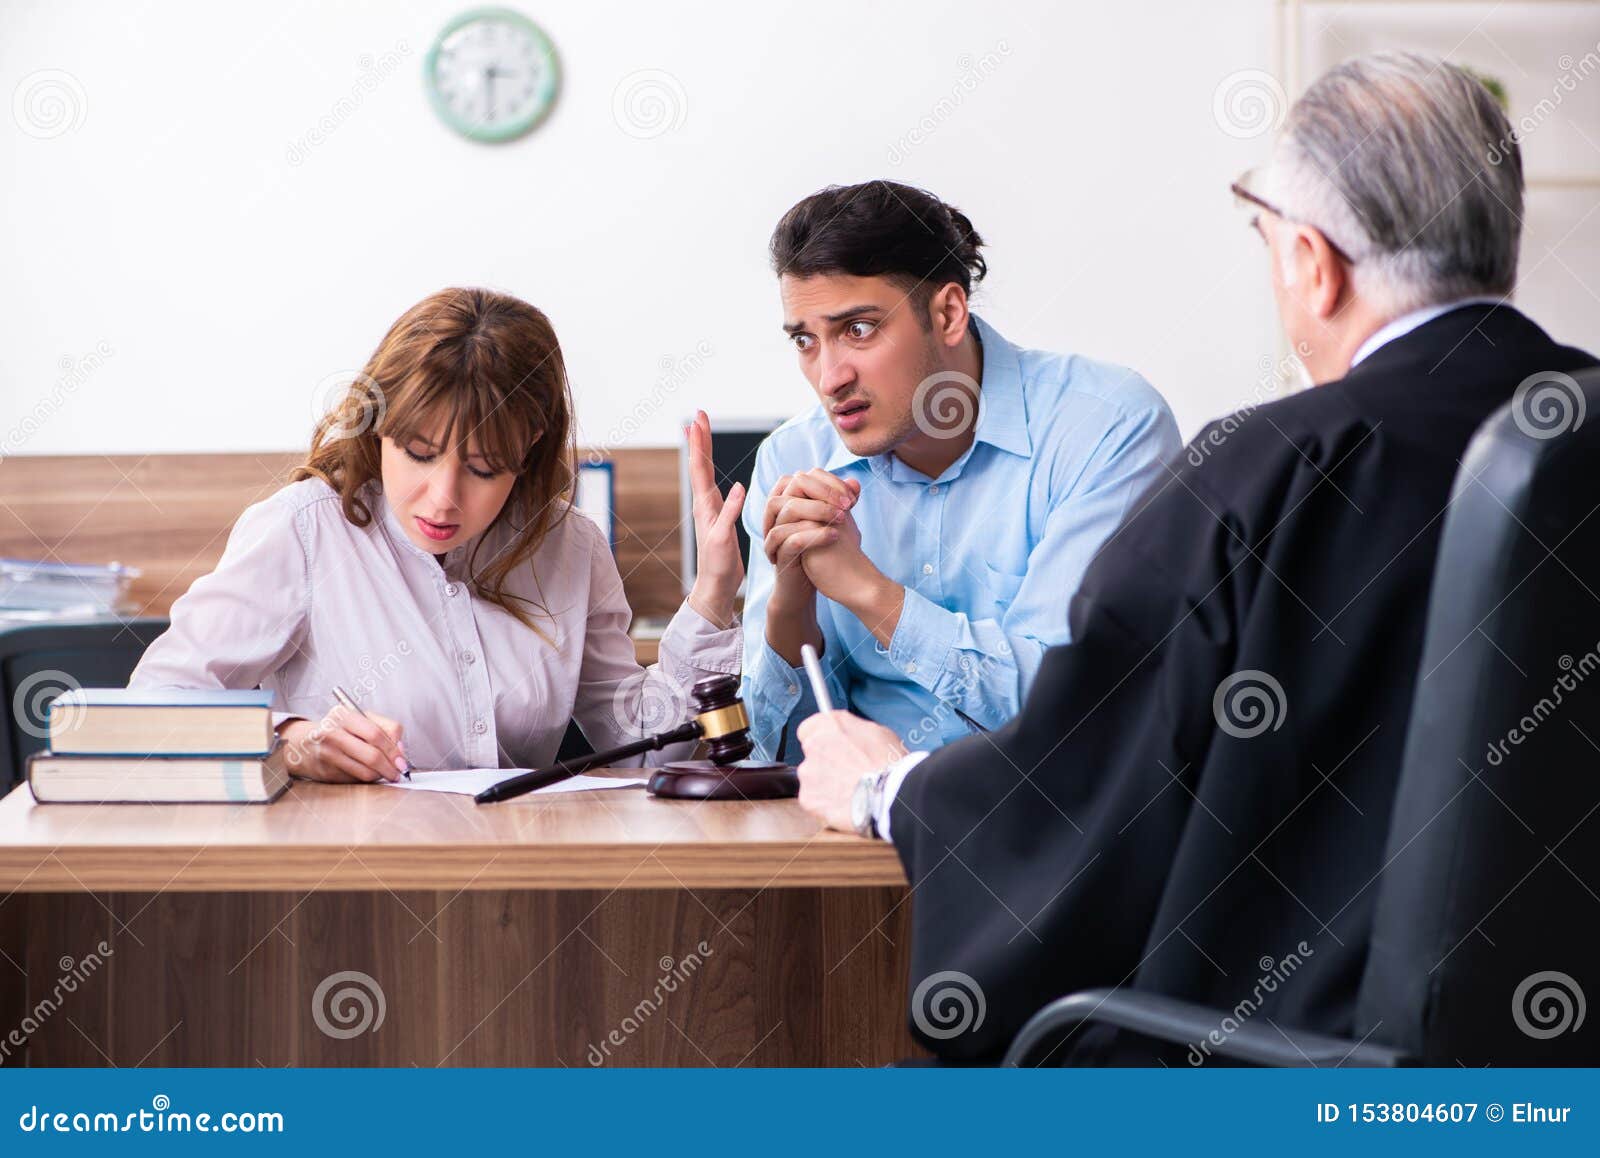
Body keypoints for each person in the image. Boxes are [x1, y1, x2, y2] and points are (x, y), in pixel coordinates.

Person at [792, 52, 1598, 1063]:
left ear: (1312, 261)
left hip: (1285, 1064)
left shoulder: (1261, 475)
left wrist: (889, 791)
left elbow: (1090, 802)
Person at [130, 287, 747, 781]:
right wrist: (289, 739)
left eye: (484, 468)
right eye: (418, 453)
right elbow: (156, 703)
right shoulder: (305, 529)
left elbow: (647, 752)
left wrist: (714, 595)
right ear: (378, 427)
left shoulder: (571, 547)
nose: (444, 499)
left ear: (529, 452)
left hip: (515, 887)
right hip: (342, 885)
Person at [743, 180, 1180, 760]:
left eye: (859, 329)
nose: (830, 378)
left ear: (947, 313)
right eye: (805, 340)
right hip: (851, 832)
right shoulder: (792, 460)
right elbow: (776, 752)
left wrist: (870, 594)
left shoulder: (1106, 426)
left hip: (1058, 830)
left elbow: (1074, 709)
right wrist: (790, 609)